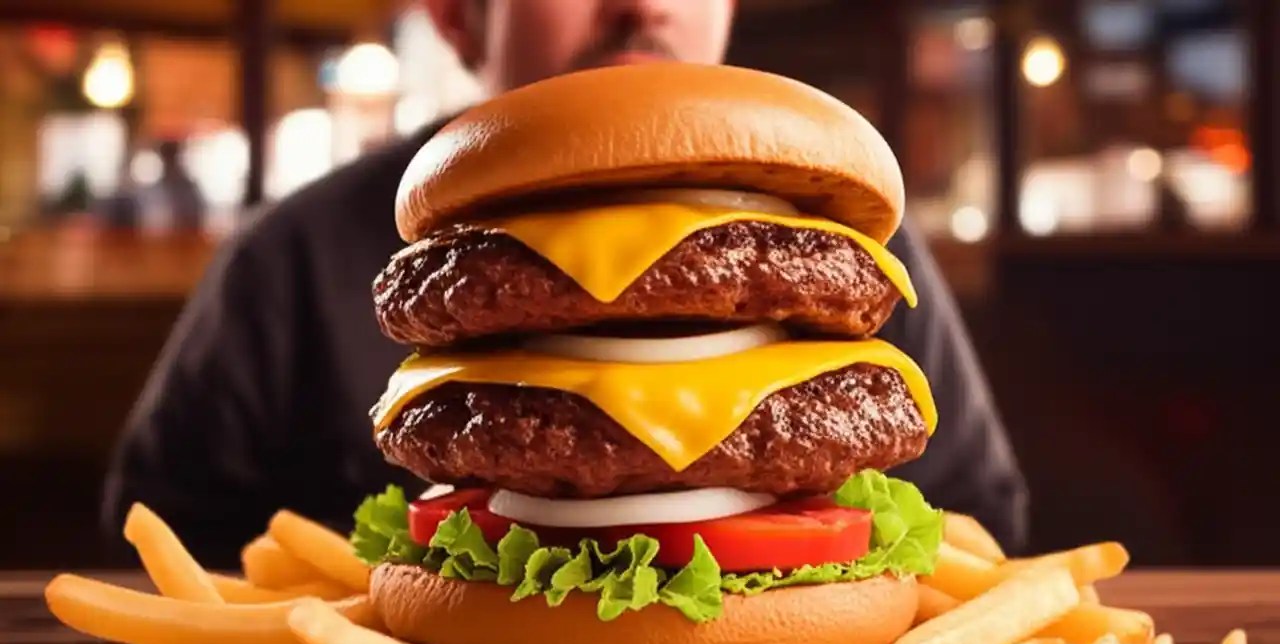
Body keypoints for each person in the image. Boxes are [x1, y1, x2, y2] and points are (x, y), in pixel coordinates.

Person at [101, 0, 1028, 568]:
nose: (640, 5)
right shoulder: (292, 255)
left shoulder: (845, 239)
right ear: (460, 16)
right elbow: (162, 535)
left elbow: (976, 521)